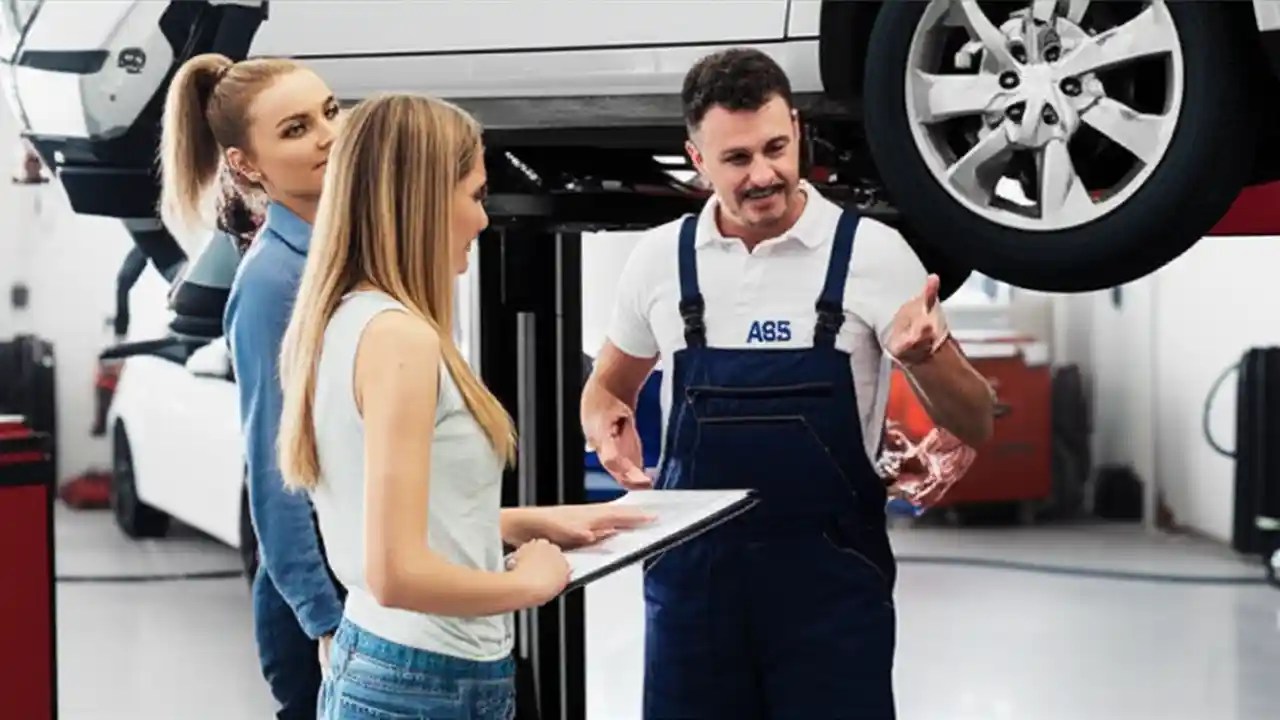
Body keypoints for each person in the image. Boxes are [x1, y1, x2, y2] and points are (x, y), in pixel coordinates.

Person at [581, 48, 997, 719]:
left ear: (798, 129)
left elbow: (976, 419)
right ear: (697, 160)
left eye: (777, 147)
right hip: (694, 598)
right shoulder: (660, 260)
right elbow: (607, 387)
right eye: (737, 159)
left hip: (831, 598)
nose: (764, 174)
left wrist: (924, 358)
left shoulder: (873, 255)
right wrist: (603, 422)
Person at [275, 92, 652, 719]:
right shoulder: (401, 340)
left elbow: (394, 524)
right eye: (475, 196)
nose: (483, 220)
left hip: (386, 662)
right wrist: (525, 585)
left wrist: (525, 523)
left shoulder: (343, 319)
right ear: (422, 199)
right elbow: (396, 573)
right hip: (429, 683)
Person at [158, 52, 343, 720]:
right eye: (295, 129)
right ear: (246, 165)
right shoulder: (272, 283)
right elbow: (276, 471)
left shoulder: (343, 257)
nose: (328, 134)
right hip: (321, 598)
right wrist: (324, 622)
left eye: (329, 111)